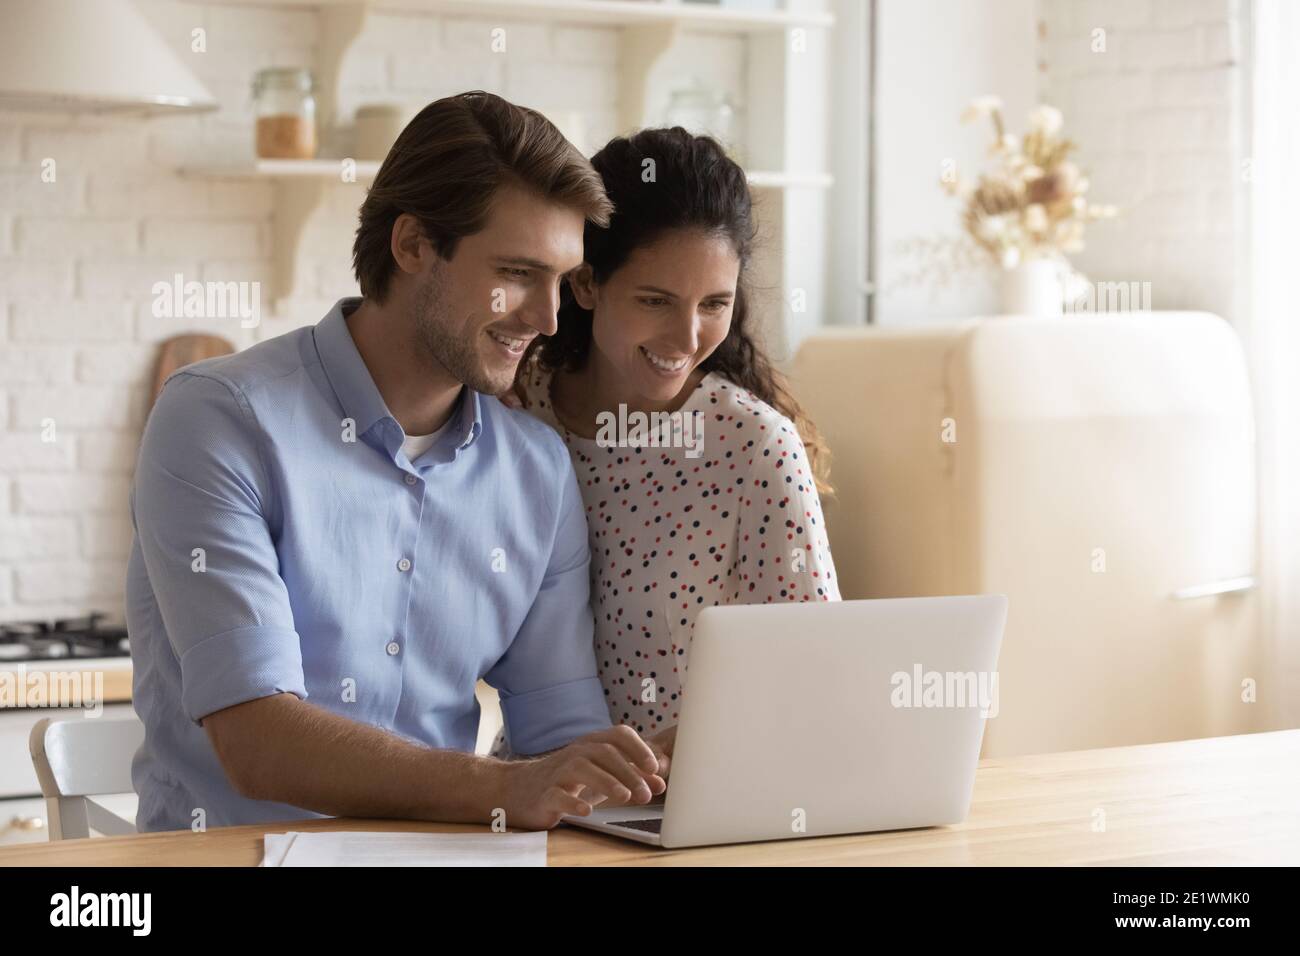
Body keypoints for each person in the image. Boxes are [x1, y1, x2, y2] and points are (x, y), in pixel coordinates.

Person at [127, 91, 666, 833]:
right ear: (413, 245)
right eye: (517, 272)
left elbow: (559, 735)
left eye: (560, 281)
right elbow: (259, 743)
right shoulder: (219, 420)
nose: (546, 318)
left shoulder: (537, 471)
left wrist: (651, 774)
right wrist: (508, 789)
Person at [502, 127, 841, 759]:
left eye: (715, 303)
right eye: (655, 300)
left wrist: (669, 756)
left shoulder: (755, 446)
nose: (687, 338)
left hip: (683, 801)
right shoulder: (518, 410)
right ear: (585, 284)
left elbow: (815, 668)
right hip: (525, 787)